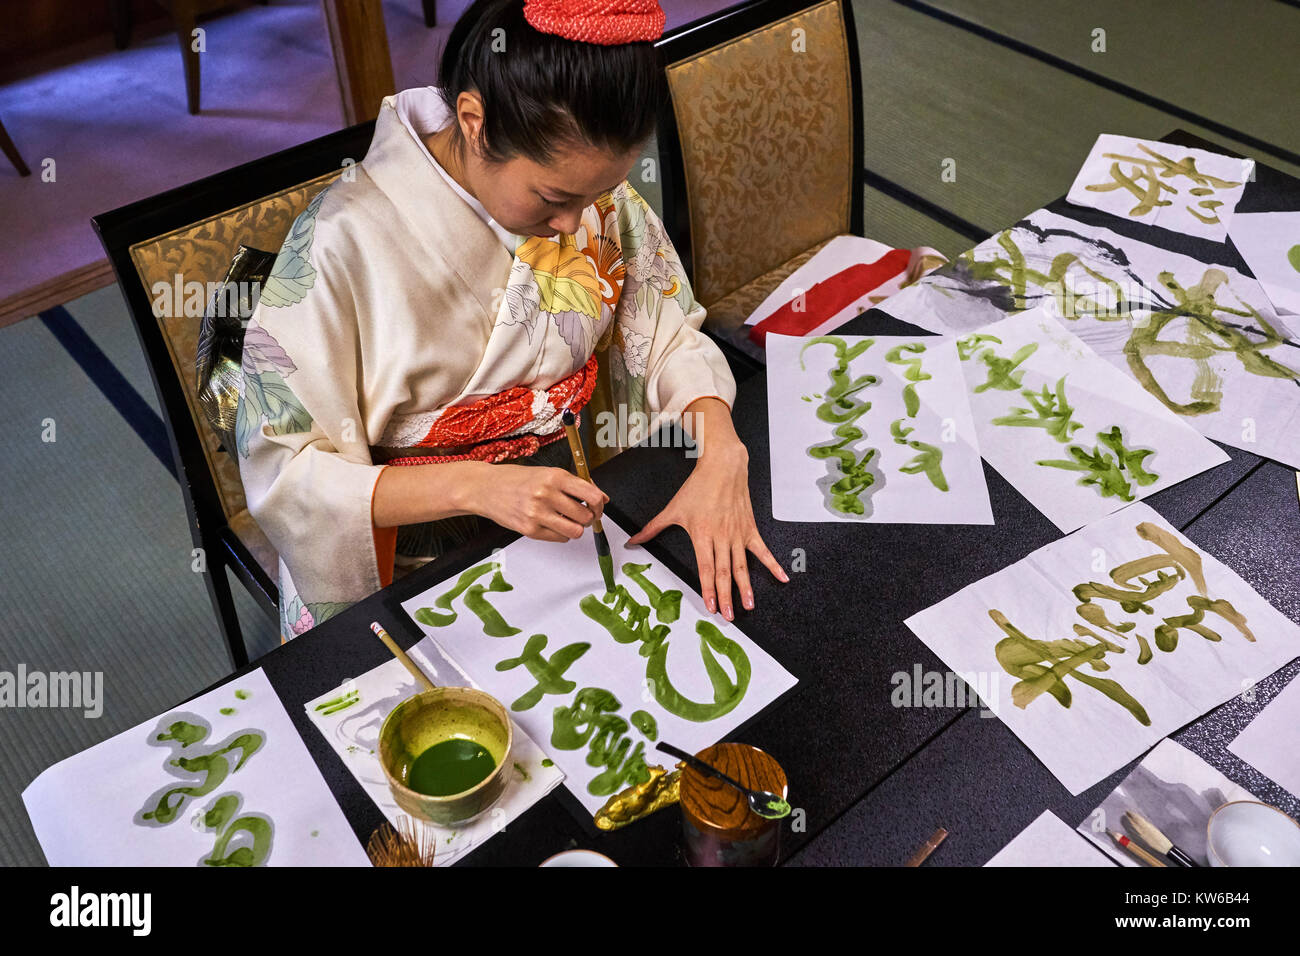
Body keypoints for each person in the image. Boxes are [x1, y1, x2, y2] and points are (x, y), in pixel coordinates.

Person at [237, 0, 787, 640]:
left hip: (580, 494)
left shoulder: (585, 188)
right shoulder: (343, 240)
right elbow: (287, 472)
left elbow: (663, 331)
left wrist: (720, 442)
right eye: (555, 198)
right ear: (474, 121)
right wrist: (475, 487)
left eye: (594, 196)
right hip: (418, 549)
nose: (576, 224)